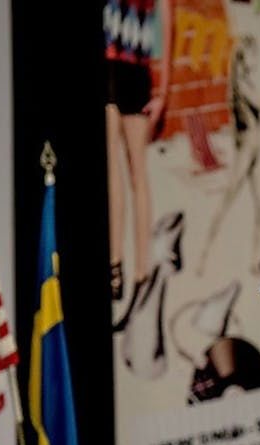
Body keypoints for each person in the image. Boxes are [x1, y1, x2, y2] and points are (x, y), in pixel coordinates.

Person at [105, 0, 173, 306]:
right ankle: (118, 262)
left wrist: (163, 92)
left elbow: (167, 21)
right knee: (118, 166)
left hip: (133, 62)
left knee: (134, 170)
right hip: (116, 61)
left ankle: (139, 270)